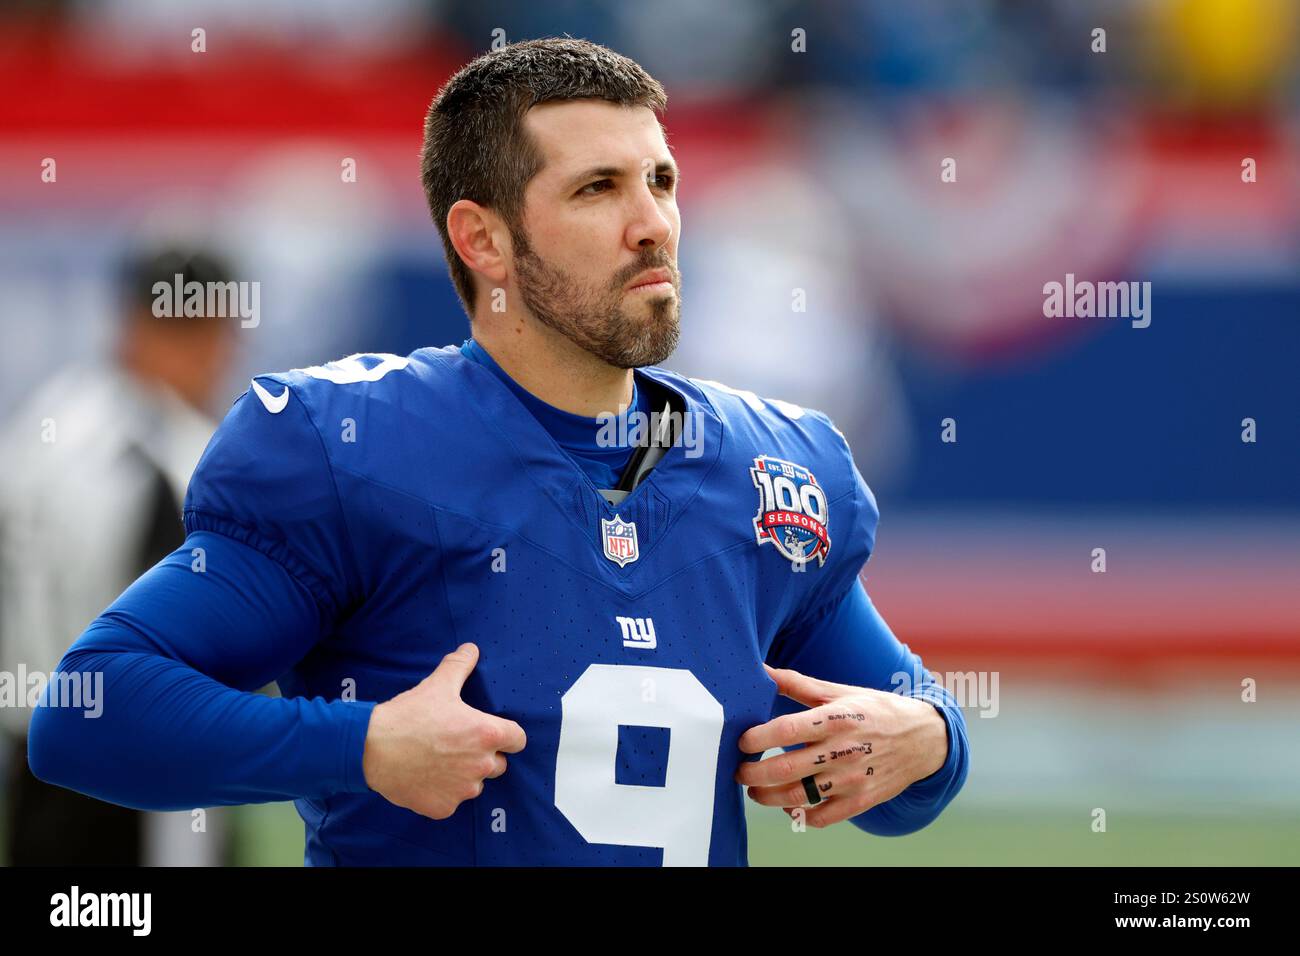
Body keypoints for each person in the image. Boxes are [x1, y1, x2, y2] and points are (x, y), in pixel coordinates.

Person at [28, 38, 968, 866]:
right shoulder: (350, 448)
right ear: (483, 239)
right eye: (598, 188)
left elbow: (907, 758)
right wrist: (361, 746)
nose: (653, 223)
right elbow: (89, 712)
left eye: (662, 181)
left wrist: (926, 739)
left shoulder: (773, 470)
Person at [1, 246, 238, 865]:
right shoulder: (185, 458)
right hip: (142, 782)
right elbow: (177, 668)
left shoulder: (42, 424)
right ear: (208, 335)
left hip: (37, 766)